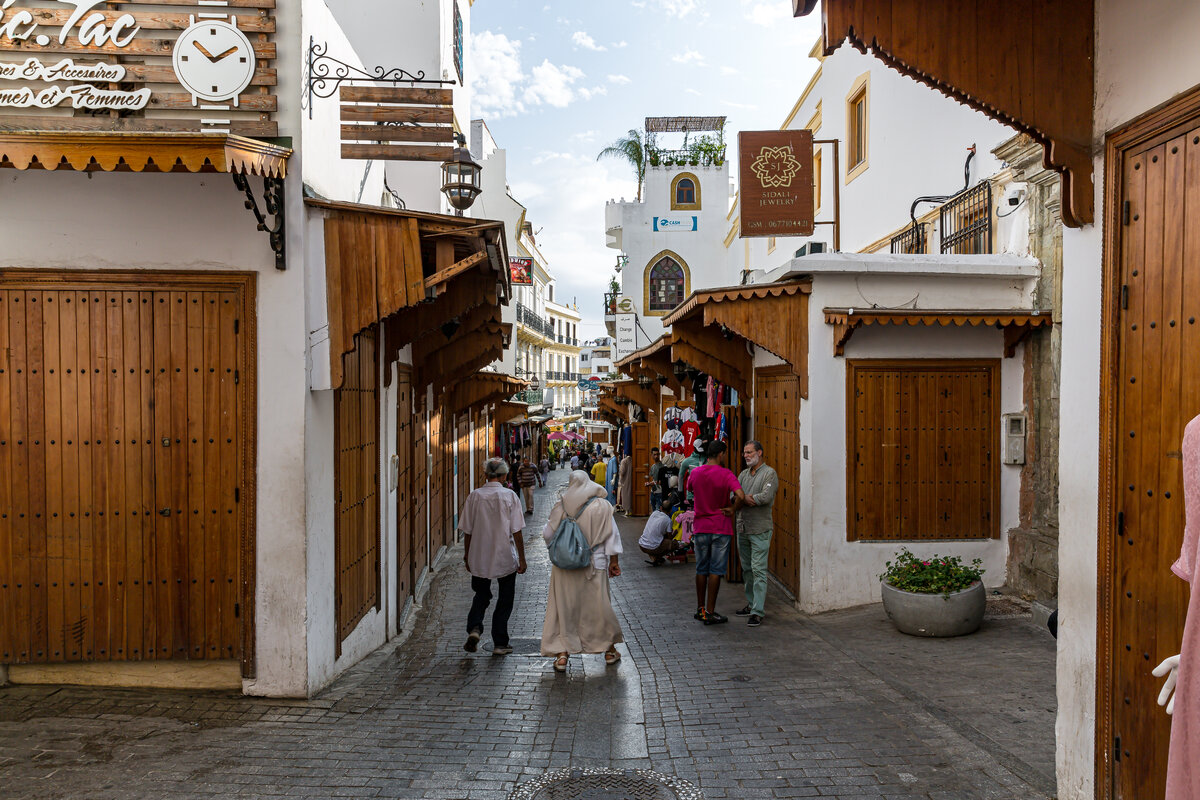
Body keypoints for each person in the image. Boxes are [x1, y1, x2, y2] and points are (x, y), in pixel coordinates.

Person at [541, 469, 625, 672]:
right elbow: (612, 537)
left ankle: (562, 654)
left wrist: (565, 547)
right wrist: (613, 561)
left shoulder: (561, 505)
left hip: (564, 567)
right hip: (594, 565)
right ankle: (609, 651)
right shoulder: (602, 506)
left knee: (564, 609)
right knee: (598, 608)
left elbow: (547, 534)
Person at [458, 458, 528, 656]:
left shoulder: (474, 496)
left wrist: (467, 555)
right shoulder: (510, 496)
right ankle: (500, 643)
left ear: (485, 475)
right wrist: (522, 558)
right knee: (505, 598)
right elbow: (517, 531)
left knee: (481, 594)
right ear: (505, 475)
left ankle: (474, 628)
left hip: (479, 555)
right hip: (504, 555)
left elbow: (468, 531)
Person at [684, 440, 746, 625]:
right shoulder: (726, 474)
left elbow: (690, 489)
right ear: (721, 454)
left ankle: (700, 609)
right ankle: (711, 611)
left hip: (701, 526)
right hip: (721, 526)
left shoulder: (695, 473)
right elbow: (741, 495)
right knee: (716, 570)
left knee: (701, 569)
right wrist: (733, 509)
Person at [735, 440, 779, 628]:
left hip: (760, 529)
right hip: (743, 528)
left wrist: (743, 497)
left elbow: (765, 497)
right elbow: (734, 495)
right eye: (745, 452)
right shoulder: (743, 474)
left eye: (750, 452)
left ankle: (757, 611)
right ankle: (752, 602)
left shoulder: (769, 473)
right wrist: (746, 498)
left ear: (759, 452)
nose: (746, 455)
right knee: (747, 569)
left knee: (759, 569)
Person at [639, 492, 682, 565]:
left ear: (661, 508)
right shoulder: (668, 520)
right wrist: (675, 533)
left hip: (642, 545)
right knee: (674, 544)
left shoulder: (654, 513)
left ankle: (655, 557)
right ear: (671, 510)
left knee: (661, 538)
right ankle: (657, 557)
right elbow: (669, 537)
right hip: (652, 547)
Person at [678, 439, 705, 507]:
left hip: (704, 494)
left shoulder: (706, 458)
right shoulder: (687, 461)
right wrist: (680, 491)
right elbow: (680, 476)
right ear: (694, 448)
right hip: (691, 495)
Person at [646, 447, 663, 512]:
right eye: (654, 454)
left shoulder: (662, 466)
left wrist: (651, 483)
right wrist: (649, 483)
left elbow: (661, 481)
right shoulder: (653, 466)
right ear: (651, 455)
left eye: (657, 454)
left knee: (658, 512)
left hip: (660, 492)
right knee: (653, 511)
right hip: (653, 492)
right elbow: (653, 479)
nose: (656, 456)